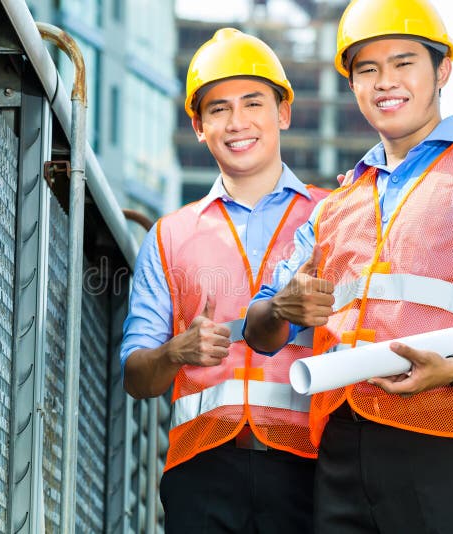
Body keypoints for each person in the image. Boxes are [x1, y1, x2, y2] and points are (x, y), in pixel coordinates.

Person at [243, 1, 453, 532]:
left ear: (442, 70)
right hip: (342, 460)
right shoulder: (334, 208)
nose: (384, 82)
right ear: (352, 86)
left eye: (403, 63)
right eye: (367, 70)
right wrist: (280, 306)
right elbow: (259, 329)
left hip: (452, 441)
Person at [120, 28, 328, 533]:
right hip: (203, 476)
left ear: (283, 112)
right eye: (218, 108)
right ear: (198, 125)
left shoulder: (336, 215)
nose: (237, 122)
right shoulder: (170, 236)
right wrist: (175, 352)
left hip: (314, 469)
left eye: (253, 103)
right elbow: (135, 375)